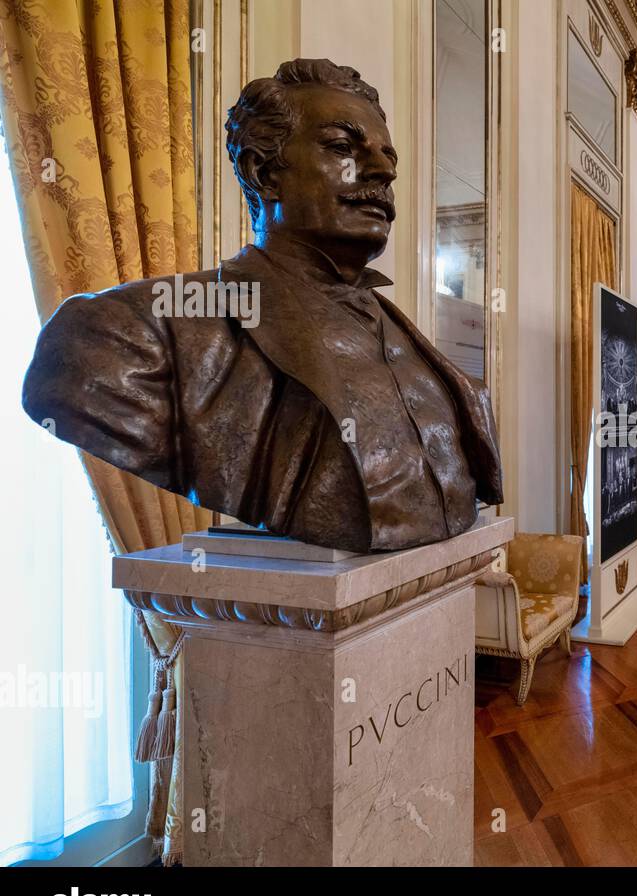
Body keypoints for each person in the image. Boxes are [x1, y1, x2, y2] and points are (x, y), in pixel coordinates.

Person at [22, 59, 502, 552]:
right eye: (342, 147)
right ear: (264, 172)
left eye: (387, 159)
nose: (382, 172)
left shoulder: (406, 337)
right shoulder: (124, 333)